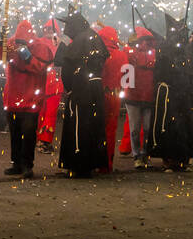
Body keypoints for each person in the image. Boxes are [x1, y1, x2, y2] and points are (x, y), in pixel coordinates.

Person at [0, 19, 52, 177]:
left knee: (28, 135)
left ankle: (27, 165)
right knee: (15, 134)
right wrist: (0, 40)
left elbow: (42, 67)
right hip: (13, 100)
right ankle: (17, 164)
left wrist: (28, 58)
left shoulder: (40, 47)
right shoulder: (11, 43)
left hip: (30, 100)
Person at [52, 11, 109, 177]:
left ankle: (79, 165)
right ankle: (93, 163)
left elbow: (61, 61)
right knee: (94, 126)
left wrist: (69, 88)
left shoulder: (78, 40)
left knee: (80, 126)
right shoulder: (94, 37)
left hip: (81, 88)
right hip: (96, 88)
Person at [151, 13, 193, 171]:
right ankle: (178, 158)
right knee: (176, 126)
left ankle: (176, 158)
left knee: (175, 126)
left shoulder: (173, 48)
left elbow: (161, 72)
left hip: (176, 94)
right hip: (176, 94)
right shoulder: (179, 49)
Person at [122, 25, 158, 169]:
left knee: (148, 128)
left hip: (148, 96)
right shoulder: (130, 53)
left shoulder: (154, 54)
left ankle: (145, 153)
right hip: (134, 97)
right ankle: (137, 154)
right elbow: (125, 75)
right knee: (135, 129)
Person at [95, 25, 128, 173]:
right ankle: (106, 164)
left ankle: (94, 161)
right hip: (114, 96)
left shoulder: (97, 52)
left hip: (97, 94)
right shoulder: (122, 55)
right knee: (110, 129)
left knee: (95, 127)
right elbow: (127, 79)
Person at [35, 19, 64, 154]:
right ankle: (44, 141)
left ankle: (40, 140)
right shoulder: (57, 43)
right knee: (49, 114)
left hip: (43, 83)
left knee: (44, 113)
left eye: (49, 29)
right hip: (52, 84)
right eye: (46, 29)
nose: (47, 31)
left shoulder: (43, 42)